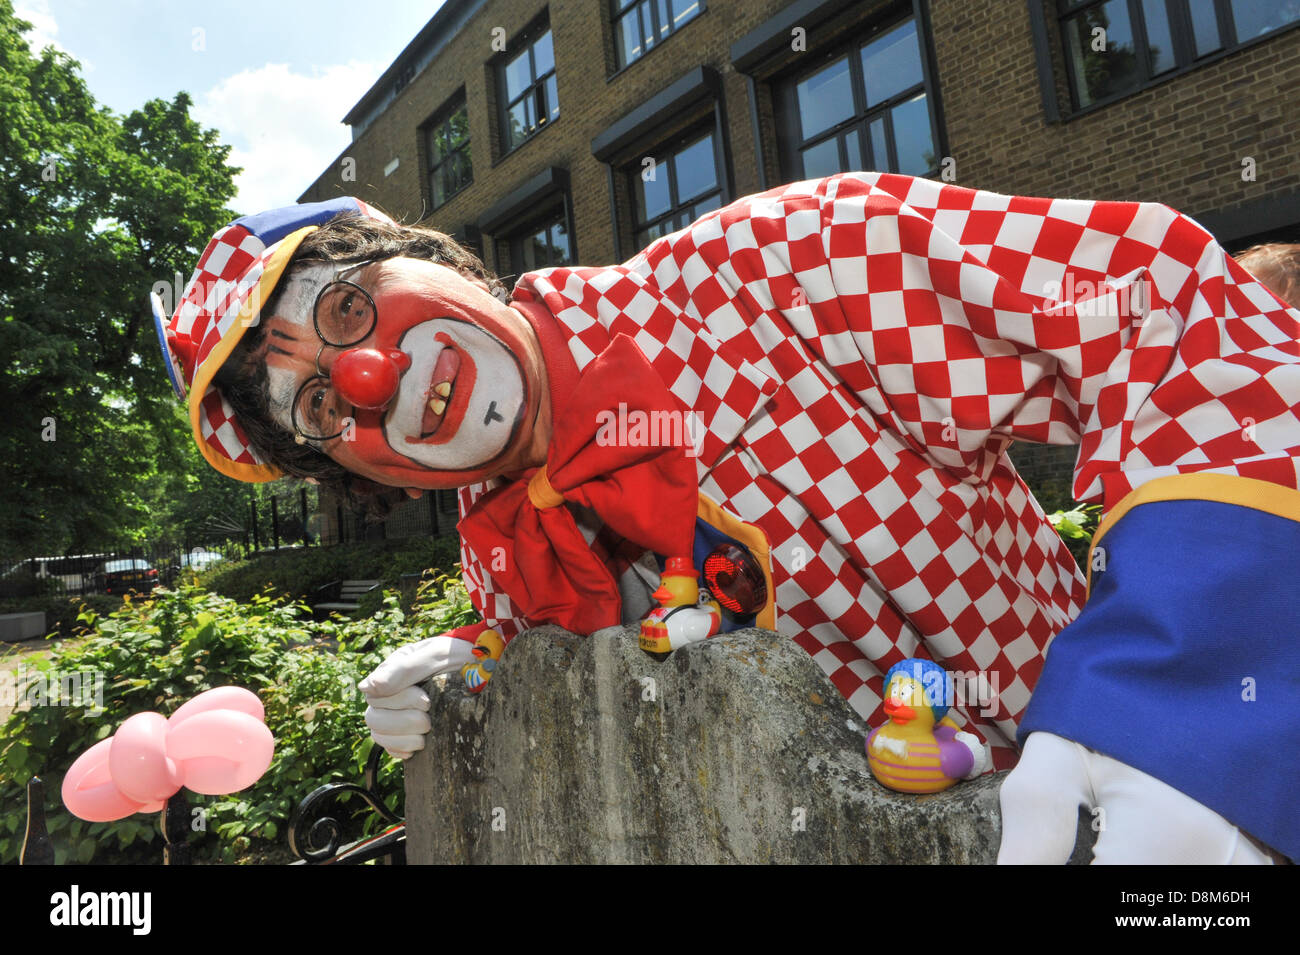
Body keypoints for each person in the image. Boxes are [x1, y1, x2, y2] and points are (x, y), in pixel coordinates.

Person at [156, 173, 1299, 863]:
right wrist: (477, 667)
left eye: (349, 308)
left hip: (1129, 806)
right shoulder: (498, 539)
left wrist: (1188, 693)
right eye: (315, 405)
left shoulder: (783, 267)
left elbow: (1164, 299)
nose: (366, 382)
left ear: (436, 258)